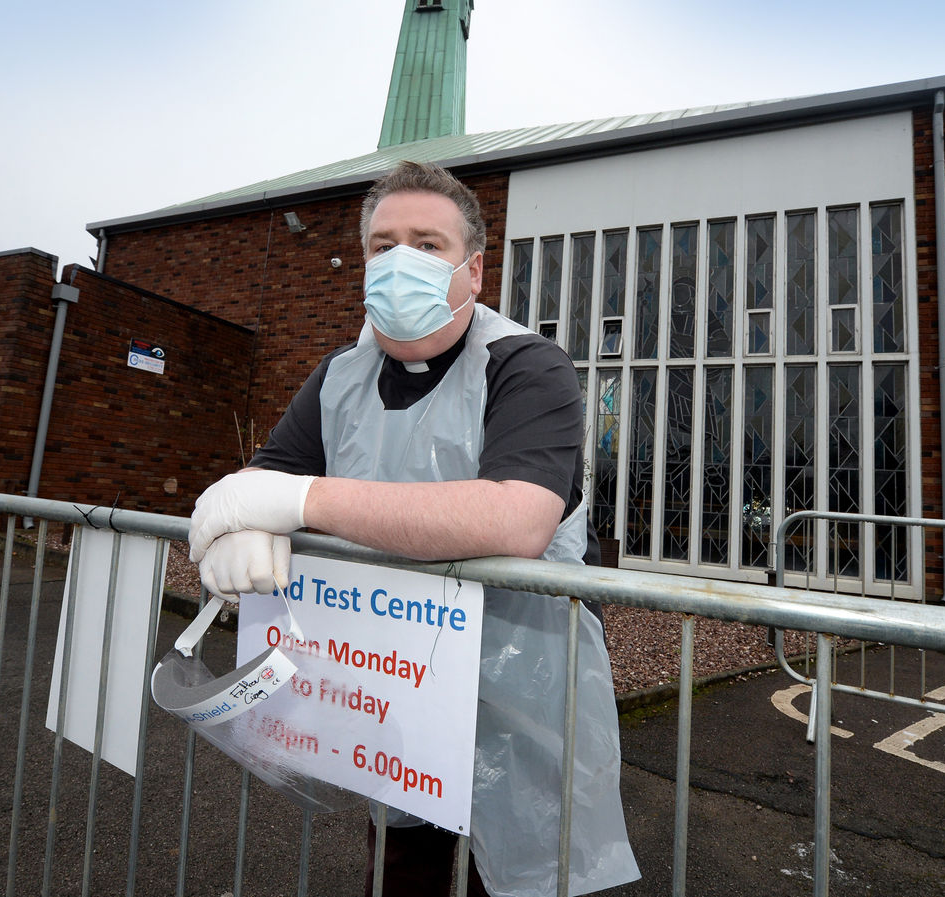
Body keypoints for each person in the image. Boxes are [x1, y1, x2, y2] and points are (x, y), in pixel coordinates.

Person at [188, 161, 639, 897]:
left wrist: (298, 501)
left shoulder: (527, 366)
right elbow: (261, 480)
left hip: (520, 687)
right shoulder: (339, 375)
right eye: (383, 245)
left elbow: (516, 519)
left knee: (522, 875)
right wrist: (246, 523)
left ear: (474, 270)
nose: (402, 261)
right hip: (395, 682)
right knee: (402, 872)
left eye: (428, 245)